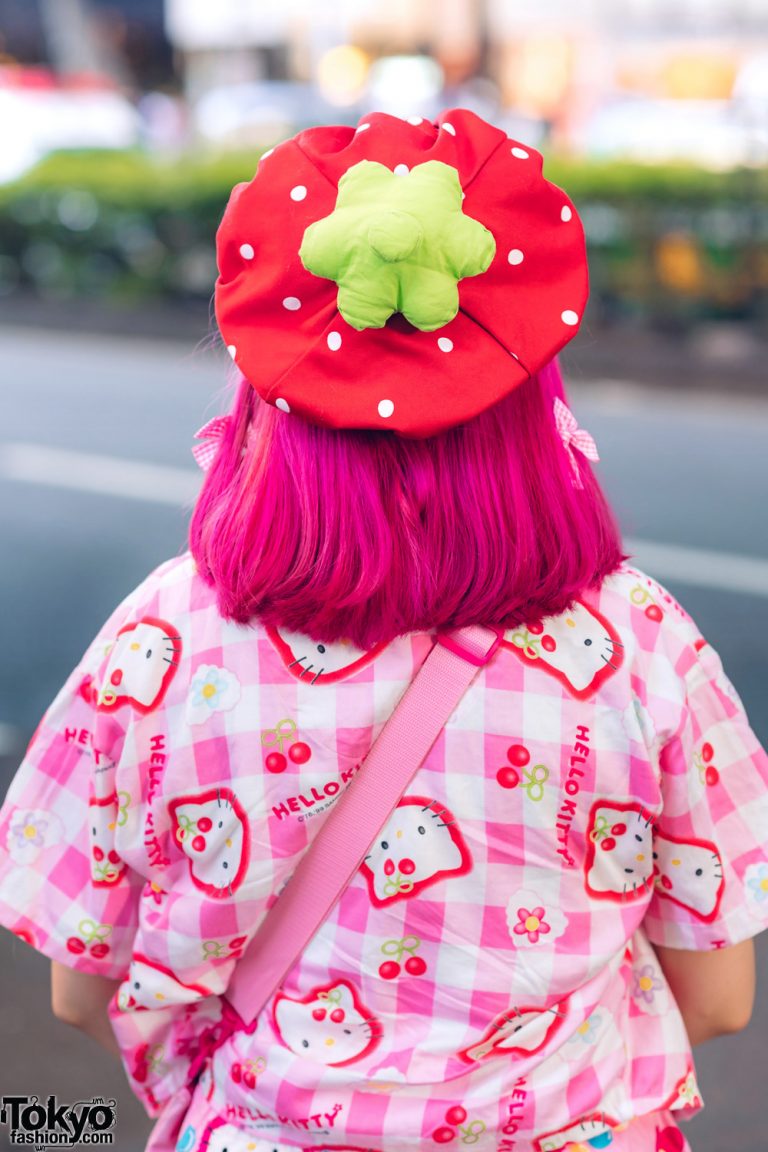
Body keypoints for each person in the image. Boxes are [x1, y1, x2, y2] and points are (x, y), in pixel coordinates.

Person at [0, 108, 766, 1152]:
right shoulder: (638, 643)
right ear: (529, 375)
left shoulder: (162, 641)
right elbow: (719, 998)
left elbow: (79, 990)